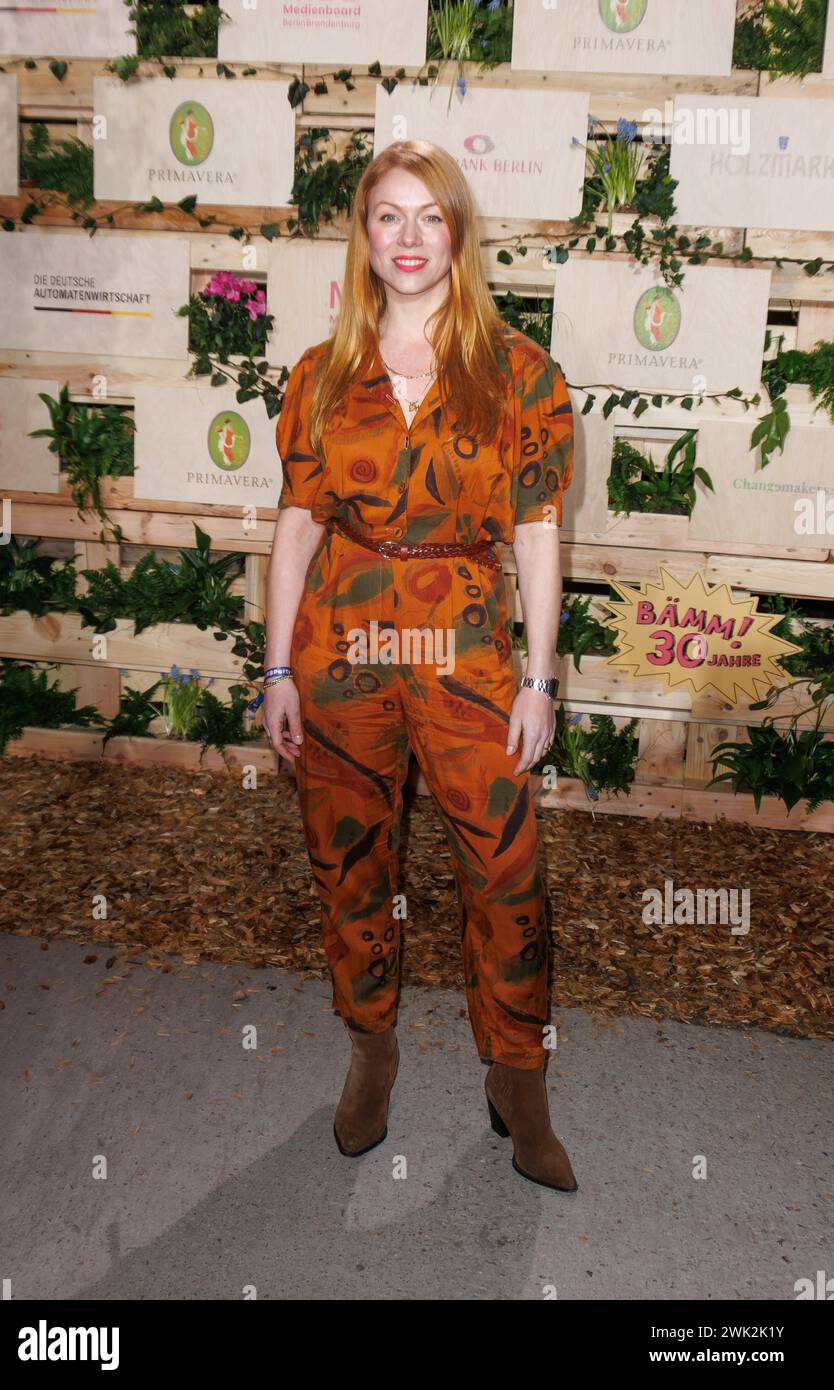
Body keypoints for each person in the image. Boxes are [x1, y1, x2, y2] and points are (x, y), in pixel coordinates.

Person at [262, 140, 577, 1192]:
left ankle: (516, 1079)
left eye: (427, 217)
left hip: (472, 654)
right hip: (341, 655)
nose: (406, 238)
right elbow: (296, 529)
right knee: (350, 868)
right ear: (362, 235)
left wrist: (538, 679)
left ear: (458, 234)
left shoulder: (520, 374)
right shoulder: (319, 375)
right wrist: (274, 672)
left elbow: (535, 531)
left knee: (505, 869)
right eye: (386, 217)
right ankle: (370, 1054)